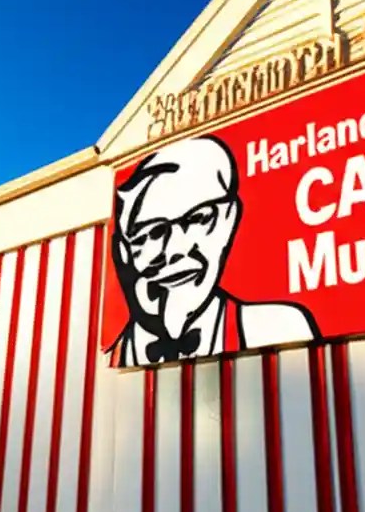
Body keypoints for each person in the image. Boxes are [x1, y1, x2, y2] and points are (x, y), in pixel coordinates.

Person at [107, 135, 319, 367]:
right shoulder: (107, 363)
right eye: (152, 233)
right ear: (124, 250)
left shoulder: (278, 328)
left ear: (229, 220)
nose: (176, 249)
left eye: (198, 218)